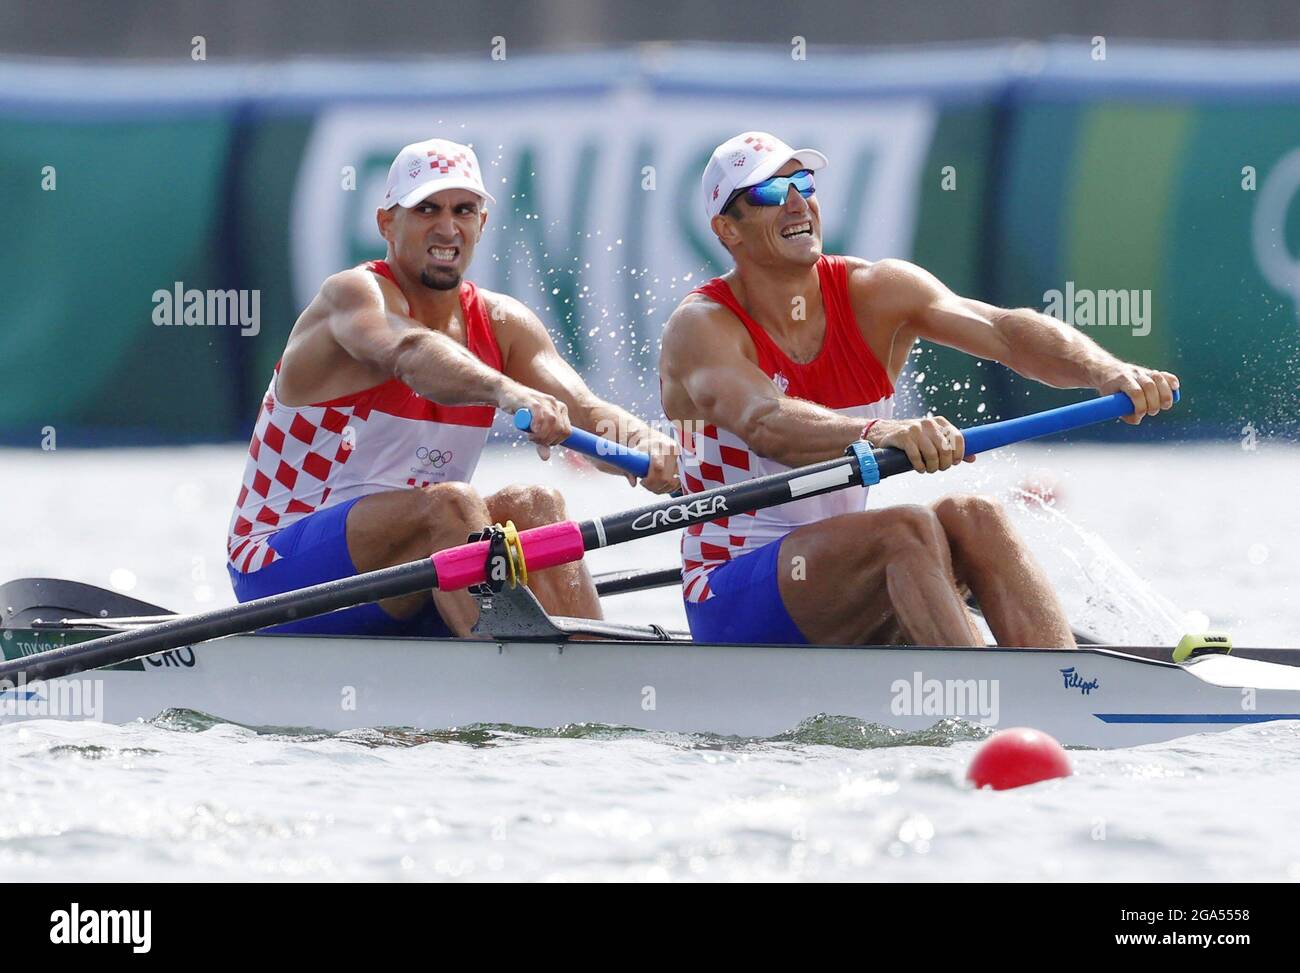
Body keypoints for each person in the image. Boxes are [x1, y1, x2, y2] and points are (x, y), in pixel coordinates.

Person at [659, 131, 1178, 648]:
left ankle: (1062, 675)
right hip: (730, 591)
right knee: (903, 529)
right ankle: (976, 686)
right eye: (771, 192)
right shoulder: (702, 327)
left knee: (975, 516)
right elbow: (765, 422)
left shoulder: (877, 292)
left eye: (804, 183)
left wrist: (1105, 370)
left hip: (836, 580)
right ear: (727, 228)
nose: (796, 202)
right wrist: (880, 432)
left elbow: (1003, 331)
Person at [227, 137, 678, 636]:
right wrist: (508, 392)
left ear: (482, 223)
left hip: (405, 570)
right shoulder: (353, 296)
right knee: (451, 506)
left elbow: (586, 411)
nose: (447, 228)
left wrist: (649, 445)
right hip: (277, 569)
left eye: (463, 210)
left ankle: (588, 663)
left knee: (536, 504)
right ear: (386, 223)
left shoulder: (504, 324)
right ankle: (503, 655)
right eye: (426, 209)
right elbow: (410, 354)